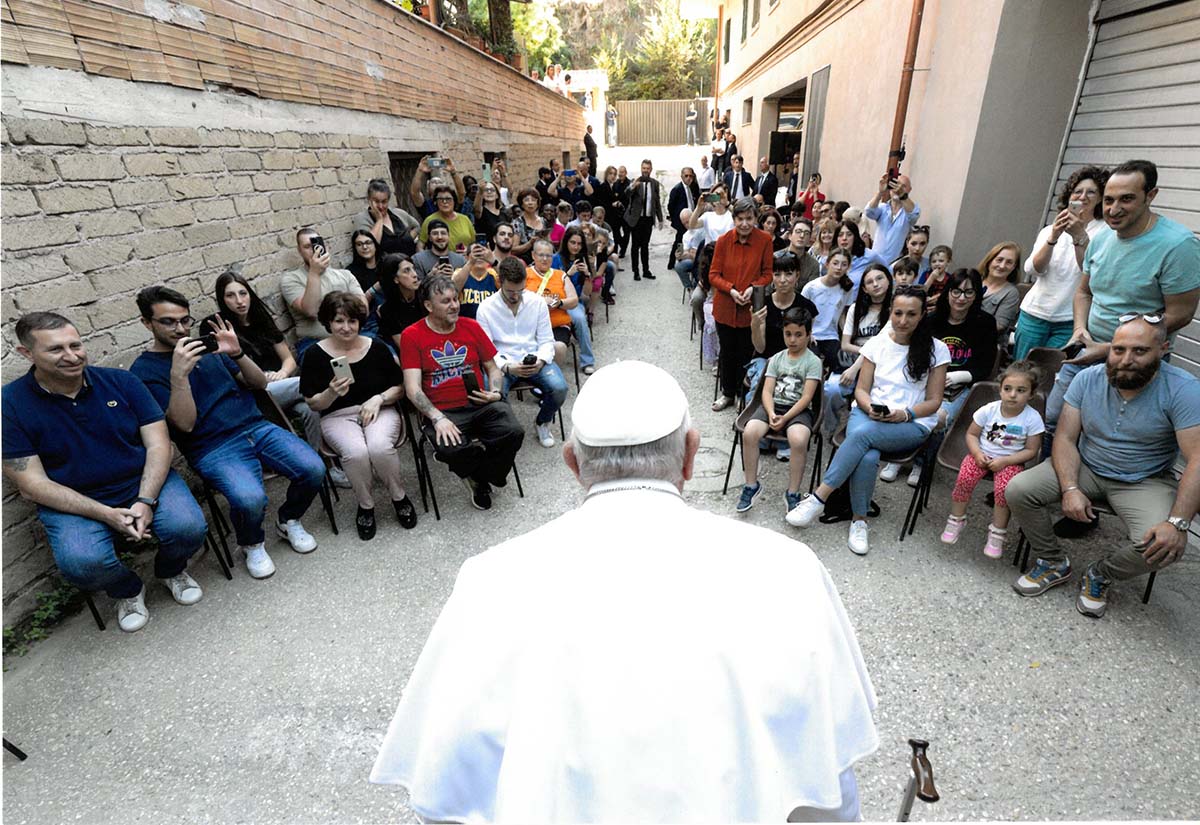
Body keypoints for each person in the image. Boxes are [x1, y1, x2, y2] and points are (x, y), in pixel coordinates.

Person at [370, 360, 879, 822]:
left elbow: (446, 788)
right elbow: (827, 780)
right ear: (690, 456)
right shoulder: (788, 571)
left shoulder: (488, 581)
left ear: (572, 463)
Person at [2, 312, 208, 633]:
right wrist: (107, 515)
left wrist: (145, 500)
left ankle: (170, 570)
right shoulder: (10, 404)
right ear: (26, 353)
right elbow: (31, 484)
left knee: (189, 527)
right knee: (81, 564)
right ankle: (126, 588)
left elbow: (159, 446)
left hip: (140, 482)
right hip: (73, 501)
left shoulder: (122, 382)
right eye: (56, 349)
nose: (71, 356)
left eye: (76, 345)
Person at [1009, 316, 1200, 618]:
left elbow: (1197, 459)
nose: (1126, 360)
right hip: (1087, 466)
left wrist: (1178, 522)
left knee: (1165, 546)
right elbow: (1065, 438)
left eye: (1140, 351)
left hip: (1143, 479)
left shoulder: (1184, 390)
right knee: (1019, 489)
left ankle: (1101, 574)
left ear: (1163, 349)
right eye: (1119, 349)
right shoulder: (1088, 379)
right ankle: (1052, 561)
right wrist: (1070, 488)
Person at [131, 286, 325, 579]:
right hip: (212, 447)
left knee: (313, 468)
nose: (180, 328)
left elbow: (260, 384)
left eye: (184, 320)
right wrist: (178, 376)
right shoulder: (144, 371)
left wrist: (237, 353)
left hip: (255, 426)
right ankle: (251, 543)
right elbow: (184, 425)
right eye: (168, 322)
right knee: (249, 498)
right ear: (147, 323)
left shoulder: (207, 348)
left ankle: (288, 520)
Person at [787, 286, 950, 556]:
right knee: (867, 455)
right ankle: (859, 521)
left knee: (861, 438)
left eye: (911, 314)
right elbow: (862, 390)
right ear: (890, 312)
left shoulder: (937, 349)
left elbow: (934, 401)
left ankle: (818, 498)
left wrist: (904, 414)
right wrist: (869, 408)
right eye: (898, 312)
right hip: (869, 412)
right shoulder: (878, 343)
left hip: (912, 421)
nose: (903, 320)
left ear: (922, 315)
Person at [1048, 161, 1200, 443]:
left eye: (1127, 199)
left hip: (1136, 359)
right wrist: (1079, 329)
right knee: (1055, 420)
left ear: (1150, 195)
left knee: (1114, 436)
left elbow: (1180, 314)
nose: (1114, 209)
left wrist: (1110, 349)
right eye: (1108, 200)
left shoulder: (1178, 245)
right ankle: (1053, 485)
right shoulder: (1101, 236)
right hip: (1085, 349)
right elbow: (1085, 292)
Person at [203, 271, 351, 487]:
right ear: (221, 299)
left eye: (243, 293)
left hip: (281, 386)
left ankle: (324, 468)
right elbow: (231, 374)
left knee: (310, 408)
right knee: (310, 385)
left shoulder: (260, 319)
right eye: (230, 296)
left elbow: (289, 360)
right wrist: (262, 377)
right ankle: (350, 399)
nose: (239, 301)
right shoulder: (216, 326)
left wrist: (282, 373)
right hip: (250, 395)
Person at [400, 274, 524, 511]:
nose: (455, 305)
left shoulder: (471, 326)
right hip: (443, 411)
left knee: (513, 432)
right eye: (446, 301)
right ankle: (480, 478)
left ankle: (482, 475)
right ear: (428, 306)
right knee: (451, 448)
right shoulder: (412, 335)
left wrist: (495, 392)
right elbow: (412, 388)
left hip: (480, 402)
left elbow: (492, 367)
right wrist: (437, 418)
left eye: (455, 299)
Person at [299, 291, 415, 541]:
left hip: (379, 409)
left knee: (379, 447)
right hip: (337, 416)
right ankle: (366, 505)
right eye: (339, 321)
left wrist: (379, 398)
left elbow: (400, 386)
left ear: (360, 322)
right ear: (328, 322)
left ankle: (398, 496)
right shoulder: (314, 355)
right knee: (357, 452)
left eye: (352, 321)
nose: (346, 327)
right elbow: (313, 403)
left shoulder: (376, 348)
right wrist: (331, 392)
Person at [883, 268, 1000, 487]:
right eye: (956, 291)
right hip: (924, 380)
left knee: (939, 418)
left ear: (977, 295)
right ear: (947, 292)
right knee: (904, 407)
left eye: (968, 292)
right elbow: (914, 352)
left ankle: (921, 461)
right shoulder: (931, 319)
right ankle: (898, 455)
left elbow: (985, 365)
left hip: (960, 386)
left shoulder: (985, 323)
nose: (961, 298)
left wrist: (958, 376)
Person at [941, 361, 1044, 558]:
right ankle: (956, 519)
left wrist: (1006, 461)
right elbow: (971, 435)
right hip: (981, 454)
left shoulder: (1032, 418)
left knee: (1004, 491)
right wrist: (978, 454)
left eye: (1021, 390)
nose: (1013, 394)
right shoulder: (989, 409)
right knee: (964, 479)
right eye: (1008, 389)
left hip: (1010, 460)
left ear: (1031, 394)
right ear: (1000, 390)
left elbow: (1032, 450)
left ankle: (997, 532)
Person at [1014, 166, 1109, 359]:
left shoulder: (1105, 232)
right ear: (1069, 196)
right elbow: (1033, 269)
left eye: (1091, 192)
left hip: (1069, 319)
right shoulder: (1051, 229)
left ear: (1100, 197)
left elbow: (1092, 273)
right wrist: (1053, 237)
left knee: (1052, 374)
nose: (1083, 197)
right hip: (1034, 312)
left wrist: (1079, 236)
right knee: (1022, 370)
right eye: (1077, 192)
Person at [476, 256, 570, 449]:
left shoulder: (536, 302)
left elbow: (546, 340)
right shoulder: (485, 308)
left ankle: (543, 421)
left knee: (560, 388)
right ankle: (507, 429)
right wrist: (507, 367)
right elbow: (487, 349)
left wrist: (541, 361)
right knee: (493, 393)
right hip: (503, 362)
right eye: (511, 291)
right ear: (500, 282)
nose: (516, 295)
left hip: (534, 357)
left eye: (521, 290)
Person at [738, 308, 823, 516]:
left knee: (799, 439)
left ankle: (793, 492)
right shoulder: (776, 358)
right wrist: (772, 412)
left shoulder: (813, 362)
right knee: (750, 432)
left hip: (797, 411)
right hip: (773, 407)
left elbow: (807, 397)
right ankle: (751, 485)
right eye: (788, 334)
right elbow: (766, 391)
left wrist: (786, 417)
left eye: (798, 334)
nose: (792, 340)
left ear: (808, 334)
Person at [709, 197, 774, 412]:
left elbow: (767, 274)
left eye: (749, 218)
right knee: (727, 351)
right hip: (726, 307)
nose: (745, 224)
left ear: (756, 218)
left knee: (746, 352)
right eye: (740, 219)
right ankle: (727, 393)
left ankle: (740, 393)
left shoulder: (764, 240)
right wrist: (731, 289)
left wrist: (752, 288)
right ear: (734, 219)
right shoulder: (723, 241)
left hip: (750, 308)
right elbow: (713, 275)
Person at [824, 263, 892, 439]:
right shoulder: (856, 309)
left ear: (889, 280)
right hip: (852, 360)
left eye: (879, 278)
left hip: (881, 367)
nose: (875, 284)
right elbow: (845, 344)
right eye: (870, 282)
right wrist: (862, 357)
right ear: (864, 288)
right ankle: (832, 427)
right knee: (831, 389)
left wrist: (858, 366)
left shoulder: (895, 311)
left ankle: (862, 433)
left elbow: (884, 346)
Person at [280, 227, 367, 358]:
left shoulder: (345, 275)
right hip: (315, 341)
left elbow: (362, 309)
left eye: (316, 244)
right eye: (307, 246)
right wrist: (314, 272)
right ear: (299, 250)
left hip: (351, 335)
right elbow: (311, 310)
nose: (314, 250)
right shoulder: (291, 279)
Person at [552, 227, 598, 375]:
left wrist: (587, 275)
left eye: (579, 244)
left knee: (579, 318)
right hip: (556, 301)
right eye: (572, 242)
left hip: (573, 302)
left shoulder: (583, 260)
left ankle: (587, 361)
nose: (576, 247)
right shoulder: (555, 259)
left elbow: (587, 293)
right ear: (566, 242)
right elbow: (551, 286)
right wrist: (567, 274)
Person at [801, 248, 855, 371]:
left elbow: (842, 315)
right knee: (813, 365)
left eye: (844, 264)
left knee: (840, 365)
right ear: (827, 264)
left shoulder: (847, 289)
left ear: (848, 268)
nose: (839, 268)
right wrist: (807, 332)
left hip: (831, 335)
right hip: (812, 334)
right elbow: (802, 313)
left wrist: (847, 337)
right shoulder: (812, 287)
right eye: (835, 263)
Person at [864, 172, 920, 263]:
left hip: (894, 265)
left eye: (903, 186)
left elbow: (914, 215)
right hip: (874, 262)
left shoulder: (909, 209)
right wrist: (880, 192)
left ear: (909, 190)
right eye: (895, 185)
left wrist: (902, 195)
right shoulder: (882, 207)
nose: (897, 189)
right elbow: (869, 212)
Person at [377, 253, 428, 351]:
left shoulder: (426, 295)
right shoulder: (388, 310)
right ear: (396, 279)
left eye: (413, 269)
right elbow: (405, 347)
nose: (415, 275)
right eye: (406, 271)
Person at [355, 178, 419, 257]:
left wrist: (406, 240)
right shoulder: (363, 220)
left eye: (384, 201)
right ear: (369, 200)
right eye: (376, 201)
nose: (381, 206)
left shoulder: (398, 213)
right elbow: (369, 247)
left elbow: (416, 226)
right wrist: (379, 220)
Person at [627, 158, 664, 281]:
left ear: (651, 170)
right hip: (636, 219)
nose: (645, 171)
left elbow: (657, 201)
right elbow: (626, 194)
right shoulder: (635, 181)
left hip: (648, 219)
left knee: (645, 246)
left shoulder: (655, 183)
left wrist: (660, 219)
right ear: (640, 169)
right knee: (635, 246)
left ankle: (646, 270)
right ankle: (635, 271)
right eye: (644, 168)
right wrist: (632, 187)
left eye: (648, 169)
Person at [978, 242, 1023, 339]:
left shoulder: (1011, 293)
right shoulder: (973, 281)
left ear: (1014, 267)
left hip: (987, 341)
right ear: (990, 260)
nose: (1002, 266)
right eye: (999, 260)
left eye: (1009, 262)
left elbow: (1000, 326)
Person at [835, 219, 890, 297]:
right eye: (840, 235)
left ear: (855, 237)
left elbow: (889, 272)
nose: (844, 238)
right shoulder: (829, 259)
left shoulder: (869, 255)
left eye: (849, 234)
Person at [348, 229, 385, 338]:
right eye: (359, 244)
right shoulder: (351, 272)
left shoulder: (386, 264)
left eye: (368, 242)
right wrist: (374, 288)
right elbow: (357, 307)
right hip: (370, 322)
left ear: (375, 244)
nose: (364, 247)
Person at [419, 185, 475, 253]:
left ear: (454, 201)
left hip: (466, 259)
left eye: (448, 198)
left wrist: (468, 251)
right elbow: (420, 245)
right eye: (440, 199)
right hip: (441, 261)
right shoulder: (430, 220)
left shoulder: (465, 219)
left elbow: (473, 242)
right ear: (436, 202)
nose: (445, 202)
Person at [454, 236, 499, 319]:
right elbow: (453, 290)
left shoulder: (494, 273)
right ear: (466, 257)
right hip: (465, 325)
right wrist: (471, 262)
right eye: (475, 253)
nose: (479, 256)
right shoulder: (460, 272)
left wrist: (493, 260)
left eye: (482, 253)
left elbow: (510, 282)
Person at [667, 167, 700, 272]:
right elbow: (670, 206)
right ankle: (674, 261)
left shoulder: (693, 187)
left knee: (685, 240)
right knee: (679, 241)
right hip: (682, 221)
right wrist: (677, 220)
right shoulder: (677, 189)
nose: (688, 178)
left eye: (691, 176)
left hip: (691, 218)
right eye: (686, 176)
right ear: (682, 176)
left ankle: (683, 259)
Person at [774, 218, 820, 286]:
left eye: (806, 233)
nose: (802, 236)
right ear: (790, 235)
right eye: (798, 231)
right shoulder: (776, 257)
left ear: (809, 239)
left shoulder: (813, 265)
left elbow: (811, 292)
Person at [511, 187, 549, 262]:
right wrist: (529, 244)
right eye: (526, 200)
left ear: (537, 203)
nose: (530, 203)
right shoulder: (517, 223)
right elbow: (513, 249)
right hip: (525, 262)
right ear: (521, 204)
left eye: (533, 200)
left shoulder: (544, 221)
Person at [920, 244, 953, 310]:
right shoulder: (926, 274)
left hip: (941, 307)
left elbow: (950, 295)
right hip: (925, 306)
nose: (937, 264)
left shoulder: (950, 278)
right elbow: (920, 291)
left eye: (941, 261)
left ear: (948, 262)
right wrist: (931, 278)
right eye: (934, 261)